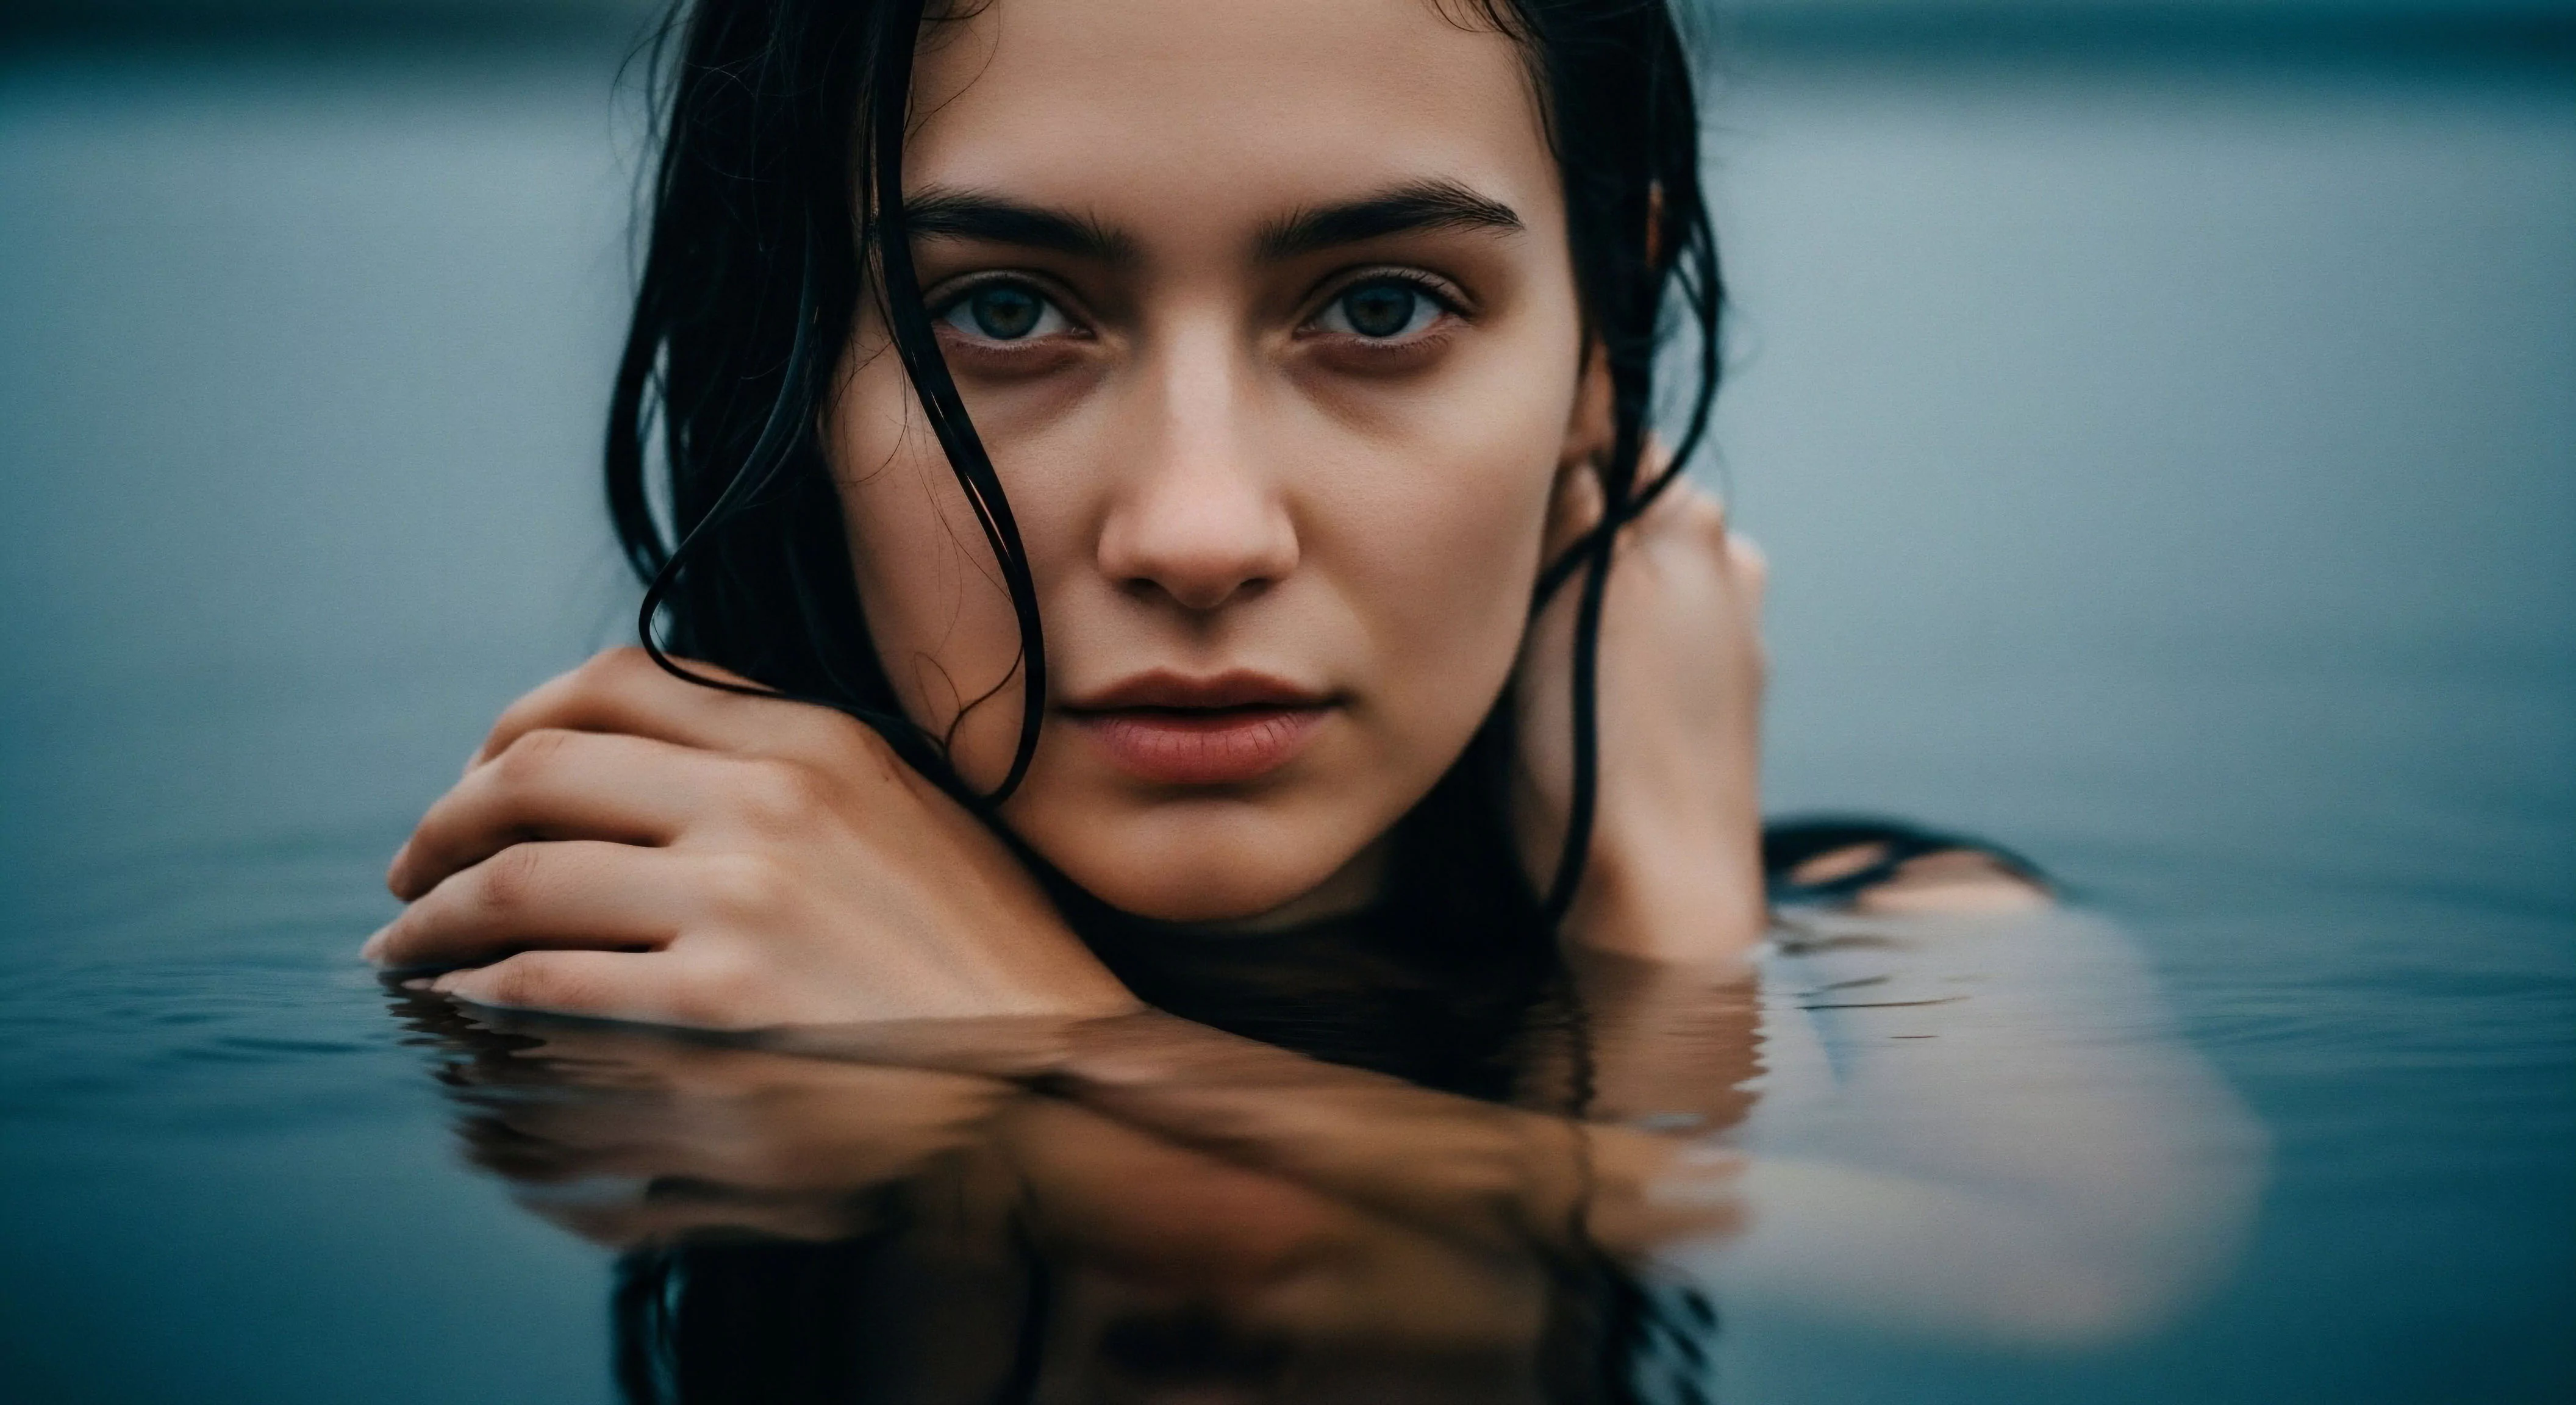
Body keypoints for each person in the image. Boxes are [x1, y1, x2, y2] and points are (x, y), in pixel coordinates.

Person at [367, 0, 2259, 1389]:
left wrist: (1677, 942)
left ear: (1602, 349)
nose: (1200, 532)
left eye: (1380, 307)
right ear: (789, 348)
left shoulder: (1900, 920)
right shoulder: (658, 935)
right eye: (1003, 311)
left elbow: (2062, 1281)